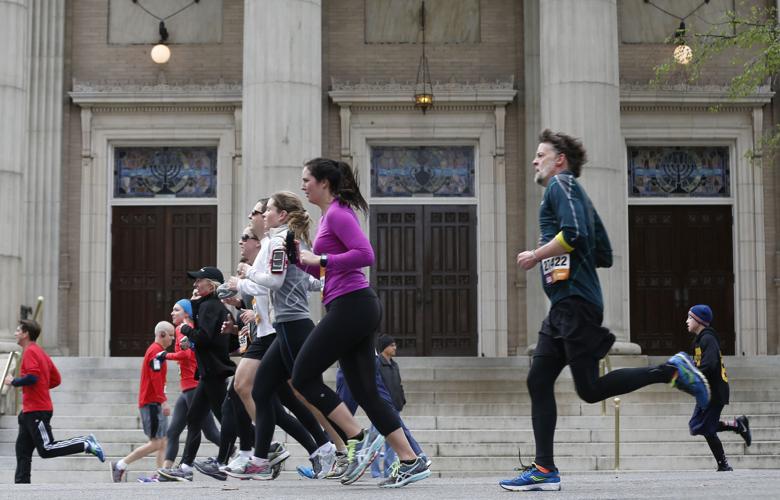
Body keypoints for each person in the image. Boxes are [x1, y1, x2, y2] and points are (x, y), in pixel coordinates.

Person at [501, 129, 712, 492]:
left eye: (541, 155)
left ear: (559, 160)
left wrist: (537, 255)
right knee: (538, 380)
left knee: (590, 389)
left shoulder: (561, 185)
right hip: (564, 307)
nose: (535, 161)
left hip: (575, 305)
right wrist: (561, 263)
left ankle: (669, 371)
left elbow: (575, 235)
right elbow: (603, 253)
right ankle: (544, 469)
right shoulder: (572, 193)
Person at [292, 158, 431, 488]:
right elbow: (327, 271)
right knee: (367, 392)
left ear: (324, 182)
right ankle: (411, 460)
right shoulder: (329, 216)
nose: (303, 186)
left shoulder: (339, 213)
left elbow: (365, 254)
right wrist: (302, 259)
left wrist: (321, 258)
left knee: (302, 375)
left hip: (353, 306)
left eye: (306, 179)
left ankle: (357, 436)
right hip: (351, 305)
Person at [223, 191, 337, 480]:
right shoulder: (280, 242)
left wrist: (245, 278)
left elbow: (273, 281)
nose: (259, 216)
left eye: (265, 210)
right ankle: (269, 456)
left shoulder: (279, 242)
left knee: (303, 390)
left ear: (278, 215)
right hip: (281, 326)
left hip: (287, 327)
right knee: (268, 390)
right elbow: (303, 280)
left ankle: (350, 440)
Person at [157, 266, 236, 482]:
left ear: (211, 285)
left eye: (199, 281)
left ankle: (254, 451)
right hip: (208, 373)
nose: (195, 284)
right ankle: (186, 467)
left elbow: (206, 337)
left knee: (225, 418)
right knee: (195, 418)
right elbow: (223, 339)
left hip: (214, 372)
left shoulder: (211, 306)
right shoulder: (209, 306)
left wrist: (186, 331)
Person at [5, 320, 104, 483]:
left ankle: (85, 443)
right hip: (30, 410)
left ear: (25, 334)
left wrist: (14, 381)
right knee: (22, 450)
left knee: (46, 448)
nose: (15, 334)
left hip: (37, 410)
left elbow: (32, 377)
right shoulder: (40, 352)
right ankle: (21, 487)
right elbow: (56, 379)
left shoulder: (30, 352)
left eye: (17, 331)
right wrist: (41, 388)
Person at [156, 299, 220, 478]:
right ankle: (167, 470)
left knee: (208, 431)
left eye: (176, 310)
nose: (172, 313)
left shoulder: (182, 328)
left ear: (186, 313)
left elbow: (185, 354)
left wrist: (164, 355)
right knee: (173, 430)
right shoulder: (189, 328)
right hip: (188, 387)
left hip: (193, 386)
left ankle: (233, 454)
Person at [685, 304, 752, 471]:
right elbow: (701, 364)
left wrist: (693, 373)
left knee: (706, 428)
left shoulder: (708, 338)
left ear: (698, 321)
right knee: (695, 426)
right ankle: (737, 425)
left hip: (714, 392)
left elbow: (710, 363)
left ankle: (723, 464)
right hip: (705, 392)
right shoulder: (700, 340)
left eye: (689, 318)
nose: (686, 321)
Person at [111, 321, 175, 482]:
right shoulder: (155, 352)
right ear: (161, 334)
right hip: (151, 403)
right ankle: (120, 465)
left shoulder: (158, 351)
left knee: (163, 441)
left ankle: (161, 473)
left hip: (154, 402)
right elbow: (155, 378)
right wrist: (163, 401)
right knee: (156, 443)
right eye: (171, 335)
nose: (173, 339)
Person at [372, 334, 408, 477]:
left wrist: (401, 400)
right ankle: (375, 472)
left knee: (392, 443)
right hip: (381, 409)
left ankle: (388, 470)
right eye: (392, 345)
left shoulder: (394, 365)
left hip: (395, 408)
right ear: (384, 347)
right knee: (375, 440)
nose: (395, 348)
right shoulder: (377, 364)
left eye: (395, 345)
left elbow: (398, 385)